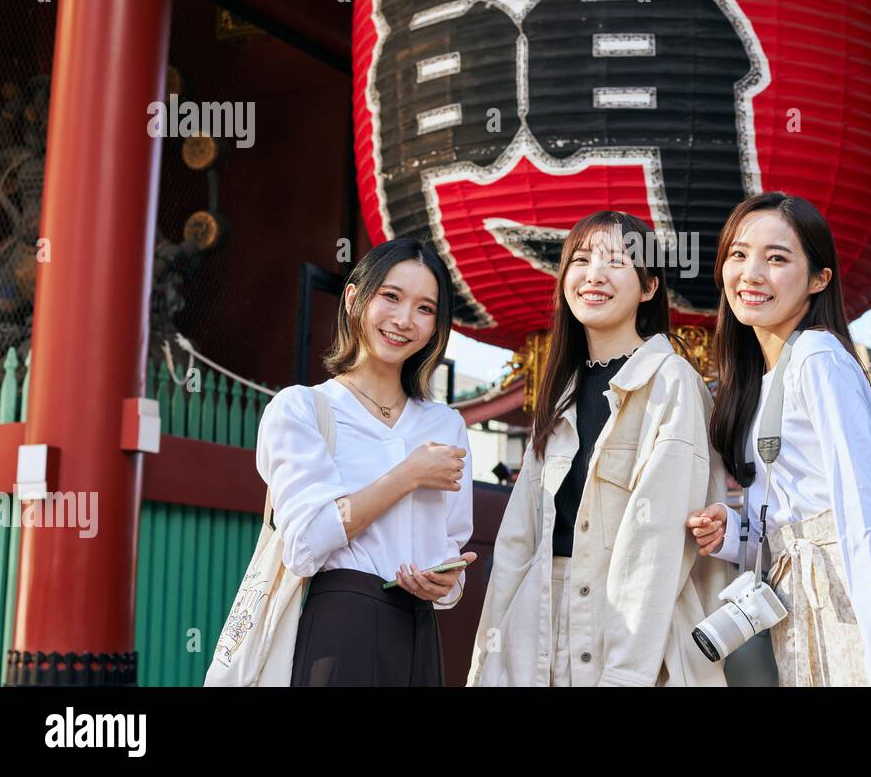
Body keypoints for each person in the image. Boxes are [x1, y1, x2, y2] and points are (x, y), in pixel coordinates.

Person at [687, 192, 871, 686]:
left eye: (777, 258)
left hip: (851, 615)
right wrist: (735, 534)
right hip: (800, 613)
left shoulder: (818, 358)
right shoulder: (760, 379)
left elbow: (864, 520)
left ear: (819, 279)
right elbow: (794, 524)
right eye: (738, 254)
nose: (752, 274)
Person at [468, 211, 728, 686]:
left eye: (616, 261)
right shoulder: (560, 392)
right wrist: (488, 664)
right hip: (540, 630)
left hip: (628, 636)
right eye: (581, 260)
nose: (594, 276)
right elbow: (516, 545)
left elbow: (658, 548)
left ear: (649, 287)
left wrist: (623, 677)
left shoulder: (671, 383)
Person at [256, 236, 475, 686]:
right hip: (342, 629)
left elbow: (451, 544)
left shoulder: (446, 425)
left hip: (419, 632)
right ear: (355, 297)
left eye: (425, 308)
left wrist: (444, 583)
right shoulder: (302, 410)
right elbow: (304, 544)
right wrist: (408, 475)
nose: (403, 320)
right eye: (391, 297)